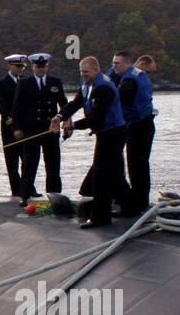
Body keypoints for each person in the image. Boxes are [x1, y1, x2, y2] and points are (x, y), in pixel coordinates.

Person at [52, 56, 131, 228]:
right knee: (115, 173)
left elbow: (96, 119)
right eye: (81, 72)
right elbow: (76, 103)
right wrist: (60, 117)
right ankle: (130, 207)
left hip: (112, 133)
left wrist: (73, 126)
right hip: (106, 132)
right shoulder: (88, 85)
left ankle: (100, 218)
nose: (83, 75)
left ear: (95, 69)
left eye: (86, 72)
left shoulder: (103, 88)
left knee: (101, 177)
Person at [11, 53, 68, 207]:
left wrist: (67, 121)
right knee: (29, 164)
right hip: (31, 130)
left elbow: (64, 105)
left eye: (43, 67)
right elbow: (17, 108)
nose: (41, 69)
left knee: (53, 164)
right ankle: (25, 195)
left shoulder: (55, 82)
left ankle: (55, 195)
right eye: (38, 67)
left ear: (47, 67)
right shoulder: (25, 83)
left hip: (51, 130)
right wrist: (17, 128)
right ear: (32, 67)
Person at [109, 50, 157, 213]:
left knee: (136, 165)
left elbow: (118, 99)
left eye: (117, 64)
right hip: (139, 124)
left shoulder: (129, 80)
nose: (113, 67)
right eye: (113, 63)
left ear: (128, 63)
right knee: (135, 164)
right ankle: (137, 199)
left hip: (139, 125)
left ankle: (138, 202)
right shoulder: (134, 75)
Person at [0, 55, 27, 199]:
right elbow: (3, 108)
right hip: (9, 128)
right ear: (10, 66)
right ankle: (16, 189)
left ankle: (27, 188)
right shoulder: (2, 83)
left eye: (22, 67)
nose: (20, 69)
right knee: (12, 161)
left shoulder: (26, 82)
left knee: (27, 160)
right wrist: (14, 128)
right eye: (18, 66)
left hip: (25, 127)